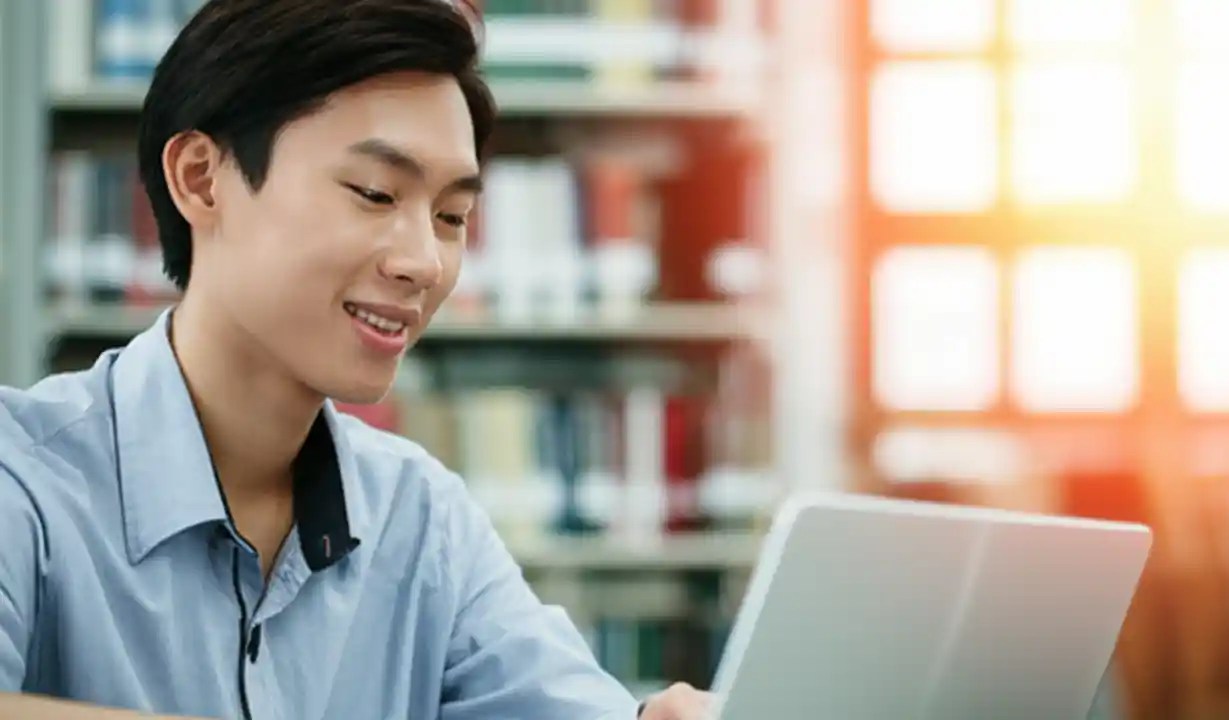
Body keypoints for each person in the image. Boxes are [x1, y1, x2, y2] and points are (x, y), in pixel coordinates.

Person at [0, 1, 713, 717]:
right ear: (200, 178)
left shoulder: (421, 518)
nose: (424, 262)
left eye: (451, 218)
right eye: (375, 194)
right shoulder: (22, 480)